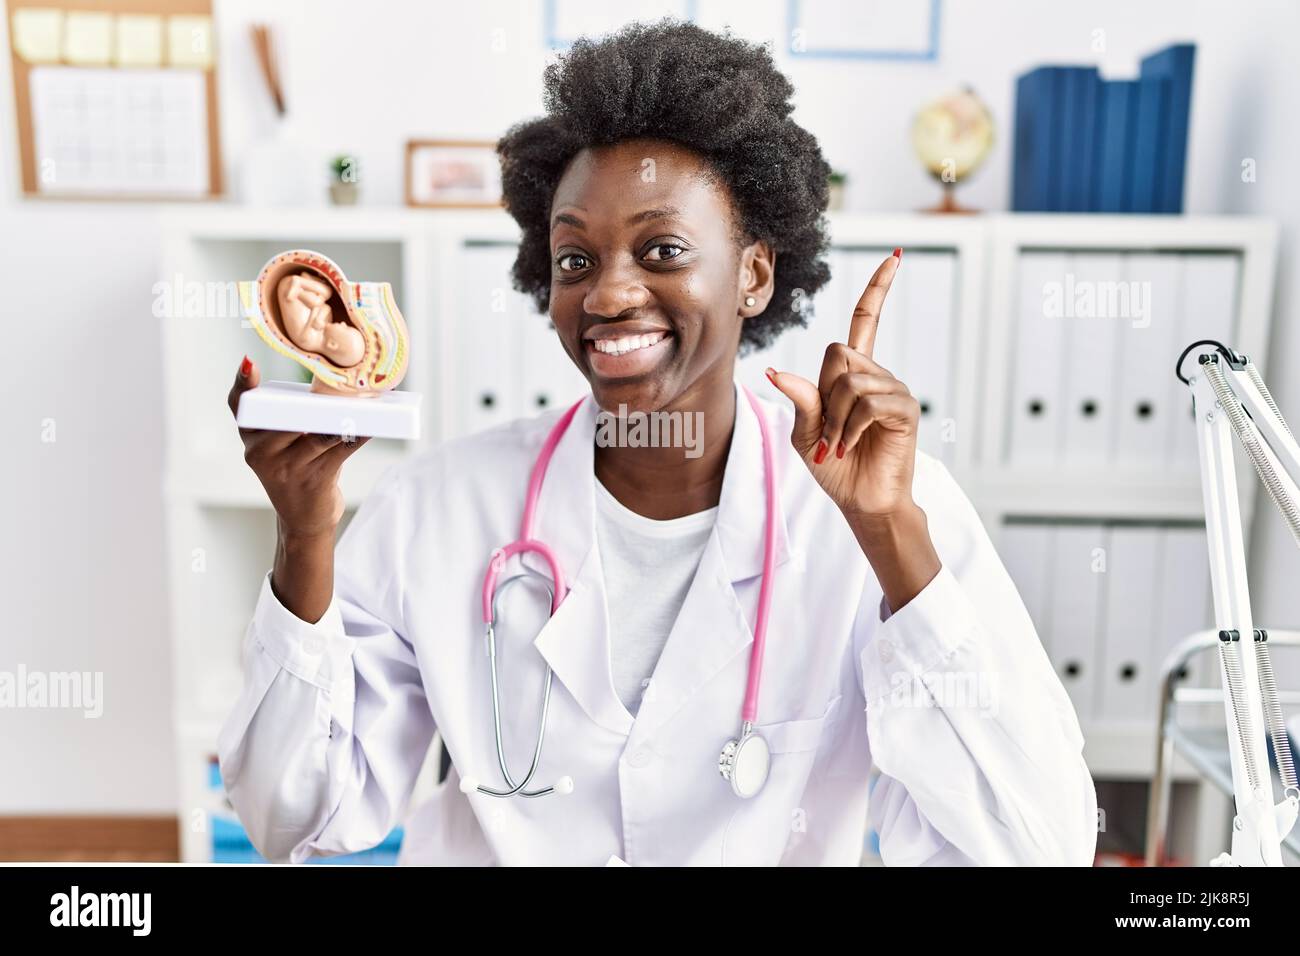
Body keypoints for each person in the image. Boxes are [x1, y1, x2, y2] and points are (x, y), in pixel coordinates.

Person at [219, 19, 1097, 866]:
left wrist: (891, 538)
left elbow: (1034, 850)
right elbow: (292, 818)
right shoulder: (441, 508)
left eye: (663, 249)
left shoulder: (891, 509)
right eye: (575, 260)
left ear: (754, 273)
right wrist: (304, 541)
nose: (607, 295)